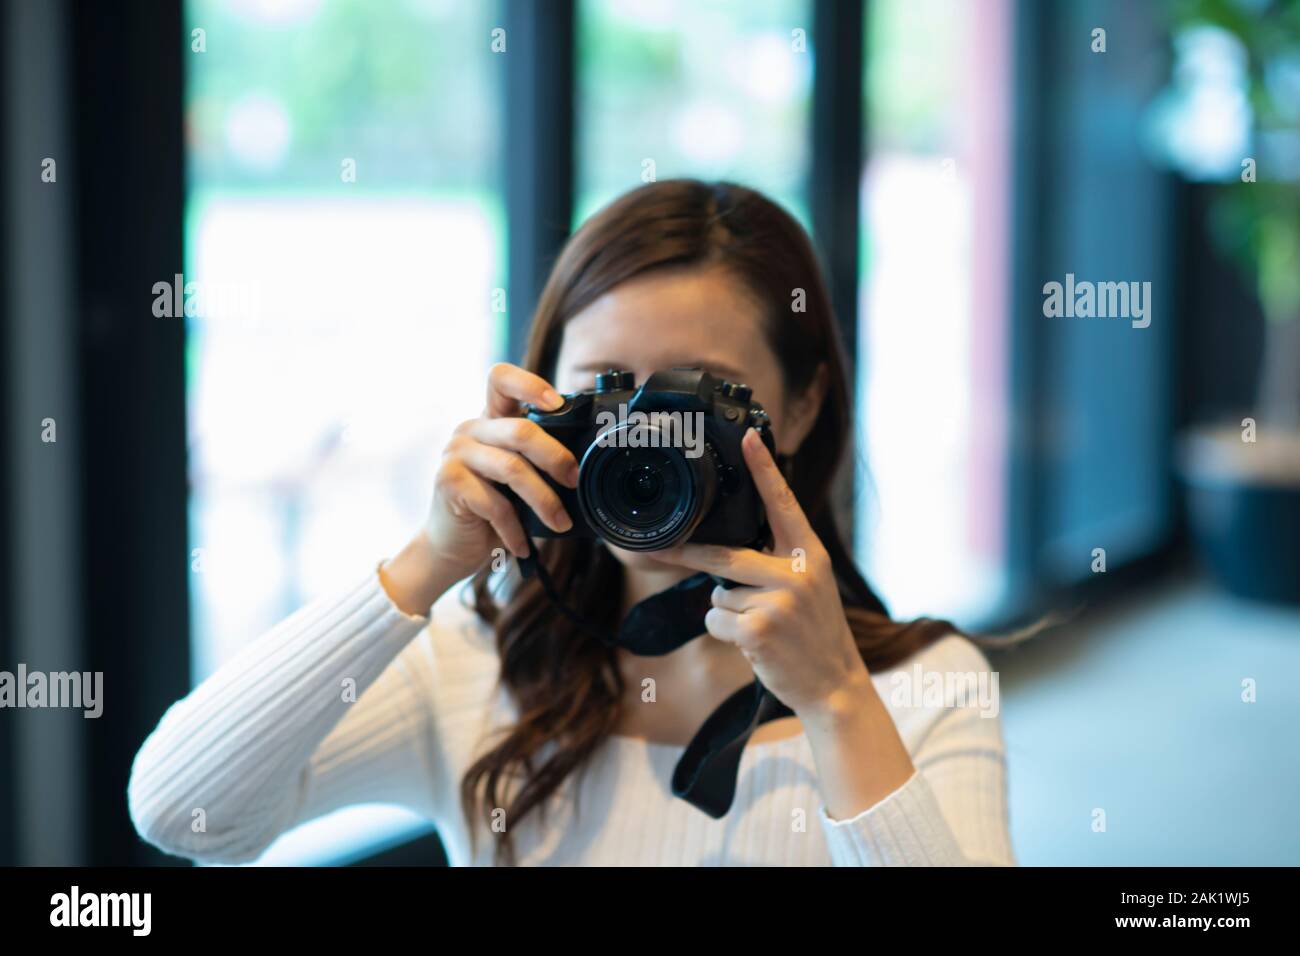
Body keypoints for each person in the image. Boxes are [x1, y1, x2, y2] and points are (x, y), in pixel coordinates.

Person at [127, 179, 1018, 866]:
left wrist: (834, 702)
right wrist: (428, 563)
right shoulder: (480, 661)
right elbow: (181, 812)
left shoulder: (924, 689)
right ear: (544, 399)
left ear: (802, 404)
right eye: (607, 389)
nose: (646, 438)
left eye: (696, 393)